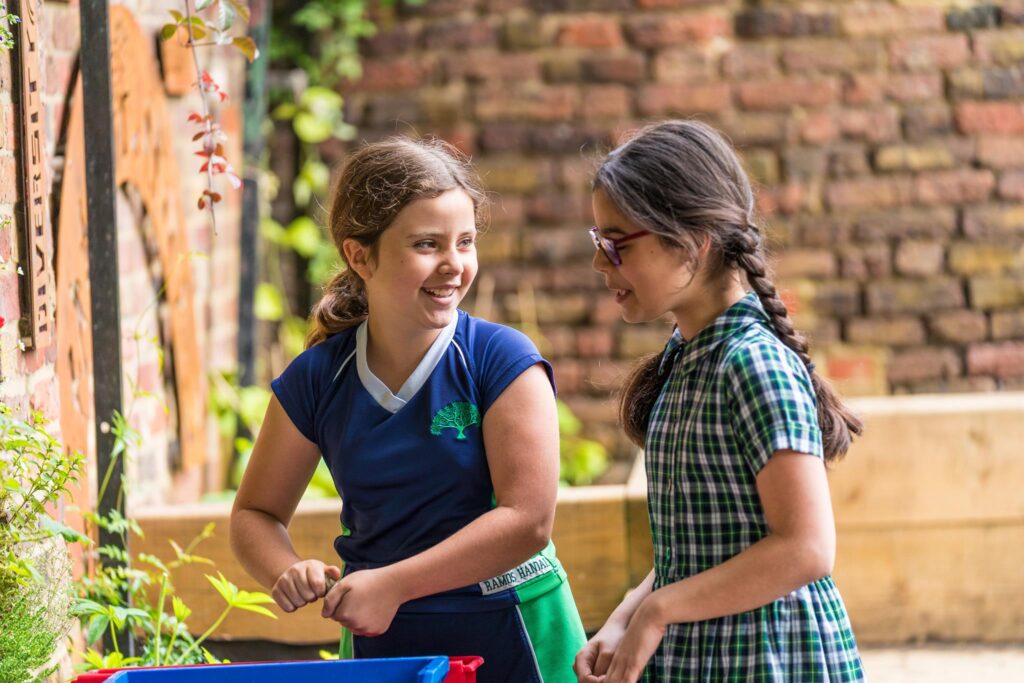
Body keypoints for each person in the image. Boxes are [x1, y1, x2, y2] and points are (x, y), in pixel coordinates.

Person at [231, 137, 585, 683]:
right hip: (384, 641)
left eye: (465, 242)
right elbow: (255, 514)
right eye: (427, 244)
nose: (454, 265)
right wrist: (287, 569)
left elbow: (528, 521)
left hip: (515, 632)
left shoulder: (502, 359)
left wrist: (393, 584)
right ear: (359, 255)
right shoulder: (317, 379)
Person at [573, 120, 865, 683]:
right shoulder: (684, 356)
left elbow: (805, 549)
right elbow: (698, 548)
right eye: (597, 242)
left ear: (692, 240)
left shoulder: (752, 364)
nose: (599, 263)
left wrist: (658, 613)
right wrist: (624, 617)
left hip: (769, 659)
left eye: (615, 243)